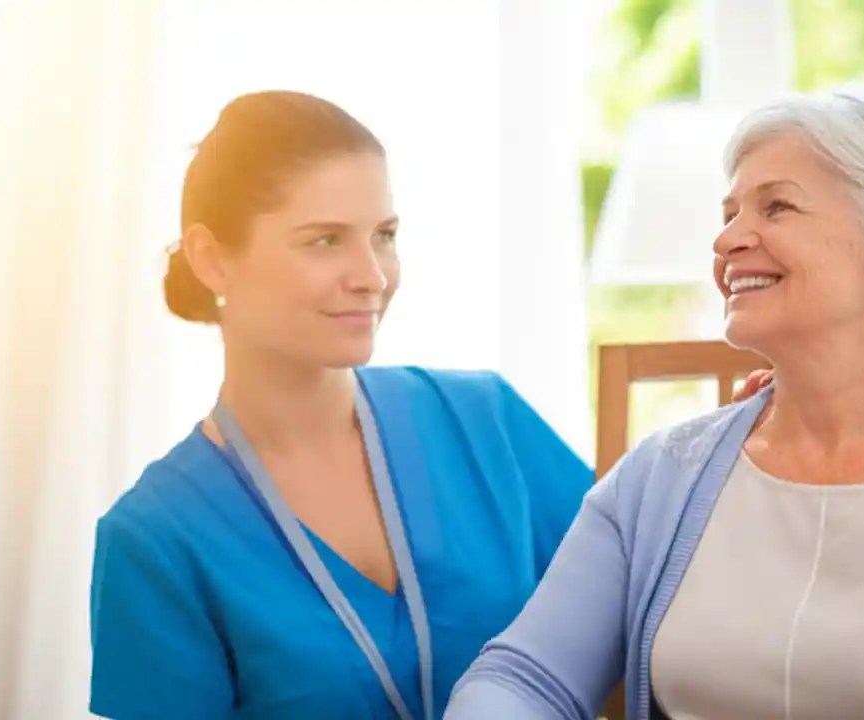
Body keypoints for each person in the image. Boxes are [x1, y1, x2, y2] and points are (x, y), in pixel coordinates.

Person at [87, 90, 770, 720]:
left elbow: (665, 607)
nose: (373, 275)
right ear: (212, 259)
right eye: (325, 240)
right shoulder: (154, 542)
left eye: (384, 235)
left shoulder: (486, 424)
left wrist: (763, 441)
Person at [446, 84, 864, 720]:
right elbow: (524, 677)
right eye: (730, 213)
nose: (727, 239)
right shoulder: (660, 479)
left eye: (777, 207)